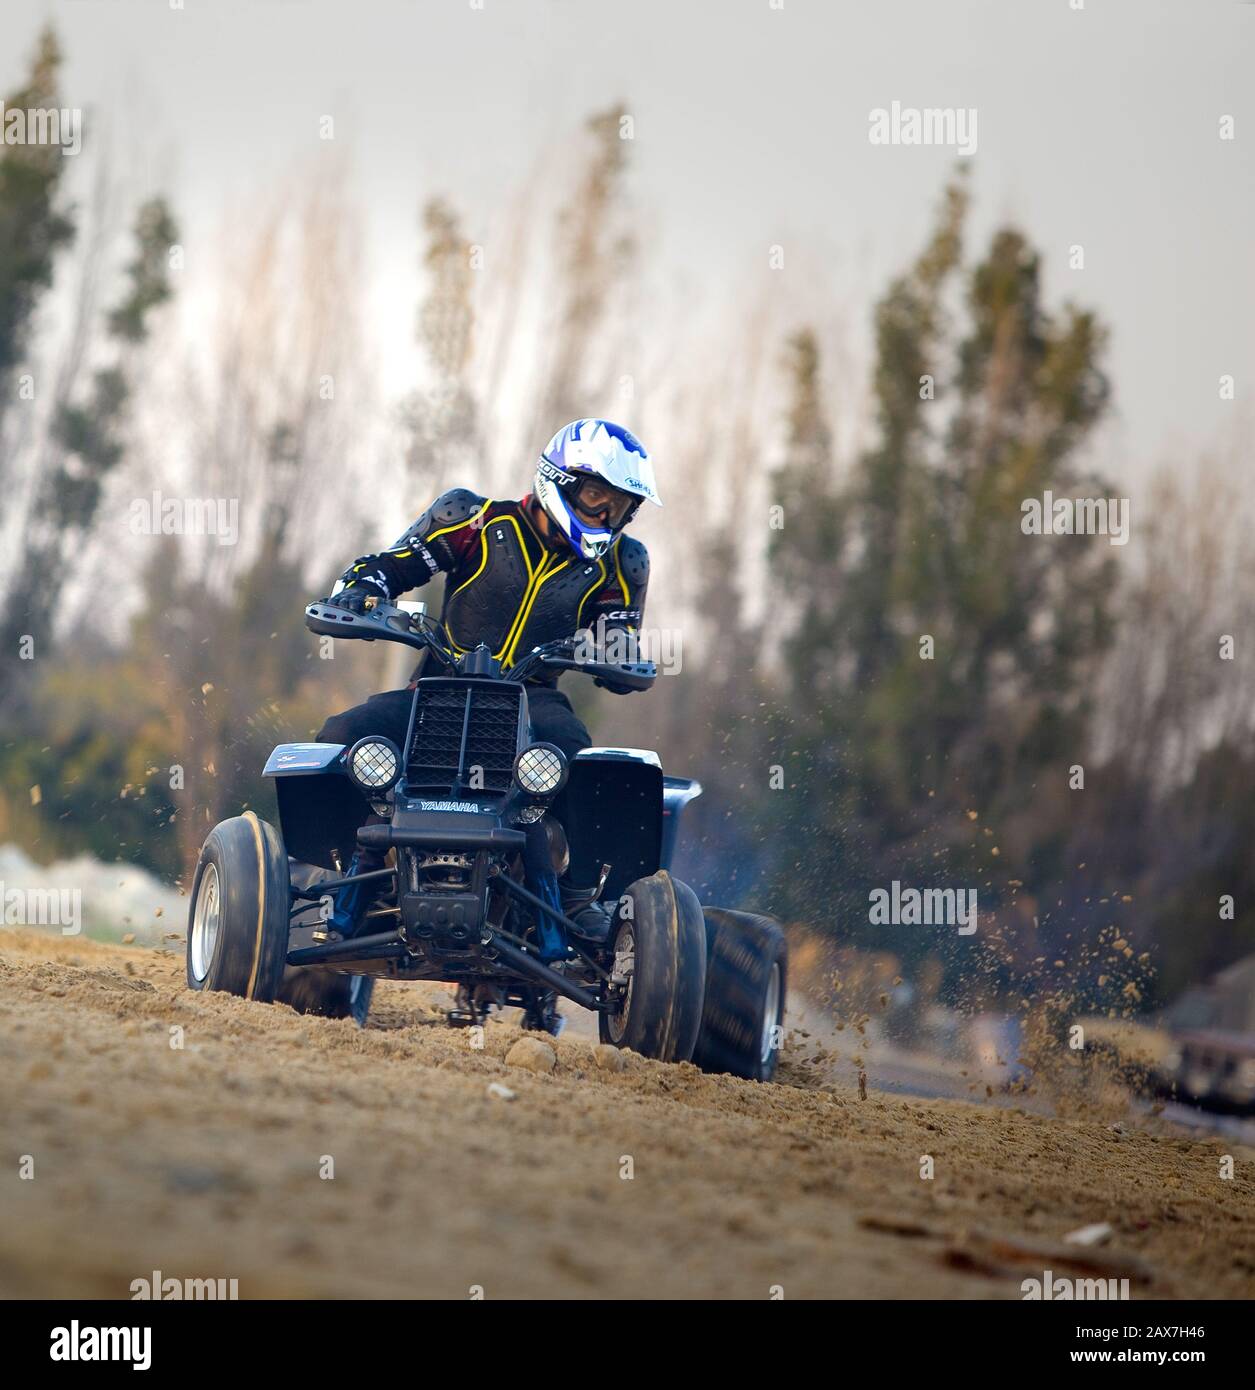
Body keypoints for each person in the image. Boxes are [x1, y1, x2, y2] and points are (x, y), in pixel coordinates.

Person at [315, 418, 660, 942]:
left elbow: (618, 633)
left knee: (576, 751)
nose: (607, 513)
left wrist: (619, 651)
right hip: (436, 691)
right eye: (596, 495)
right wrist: (364, 585)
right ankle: (343, 873)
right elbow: (395, 564)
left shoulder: (621, 564)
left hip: (533, 703)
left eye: (619, 505)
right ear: (559, 479)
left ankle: (576, 894)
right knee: (341, 734)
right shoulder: (473, 519)